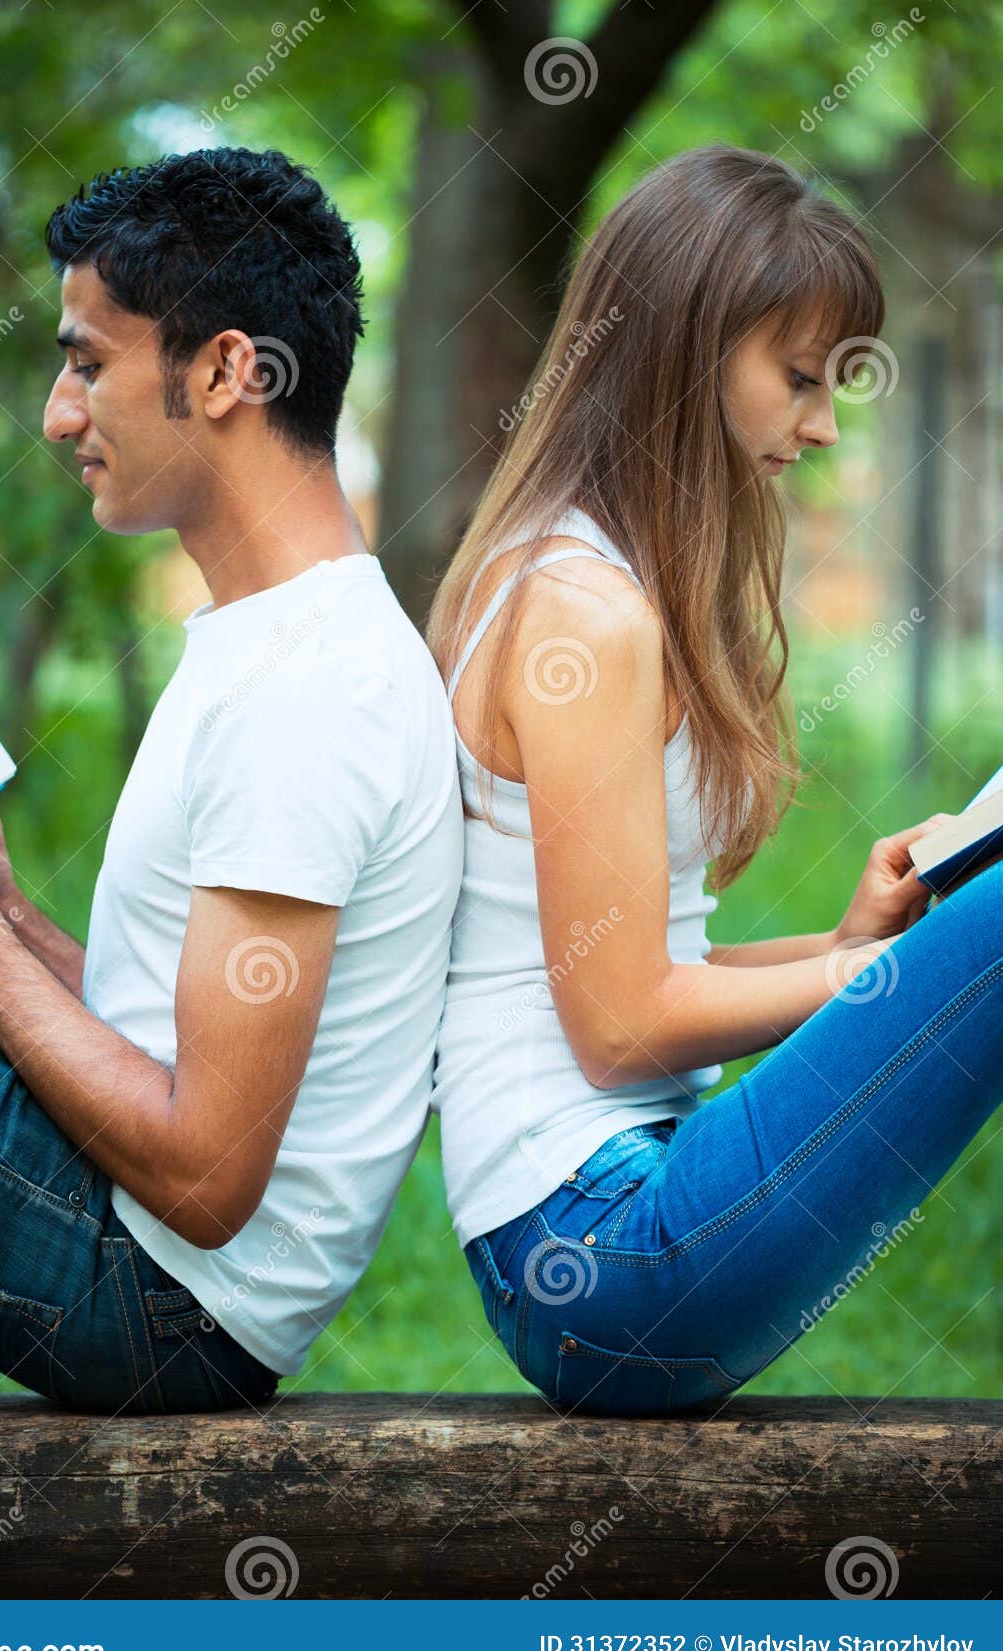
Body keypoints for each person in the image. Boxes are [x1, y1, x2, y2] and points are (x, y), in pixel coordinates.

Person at [0, 147, 463, 1414]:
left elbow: (209, 1178)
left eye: (87, 361)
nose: (61, 414)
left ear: (226, 370)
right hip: (146, 1264)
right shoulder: (280, 637)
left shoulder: (310, 691)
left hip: (157, 1308)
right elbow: (162, 1028)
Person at [427, 143, 1001, 1416]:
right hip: (593, 1251)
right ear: (682, 355)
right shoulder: (580, 612)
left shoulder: (590, 580)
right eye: (798, 379)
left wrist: (850, 947)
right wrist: (877, 984)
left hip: (625, 1214)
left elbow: (638, 964)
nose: (823, 424)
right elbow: (622, 1023)